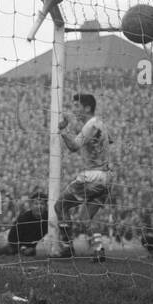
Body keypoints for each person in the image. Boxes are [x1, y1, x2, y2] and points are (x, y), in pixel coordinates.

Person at [55, 93, 114, 262]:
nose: (74, 110)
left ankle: (67, 247)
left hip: (92, 177)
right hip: (107, 177)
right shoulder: (101, 124)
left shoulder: (90, 125)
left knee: (60, 207)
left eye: (77, 106)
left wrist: (63, 129)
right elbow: (109, 141)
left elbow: (73, 146)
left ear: (87, 107)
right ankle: (99, 250)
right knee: (85, 218)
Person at [0, 190, 50, 256]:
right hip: (8, 238)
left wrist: (33, 249)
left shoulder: (49, 218)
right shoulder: (23, 218)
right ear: (31, 205)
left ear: (46, 206)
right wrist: (21, 249)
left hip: (35, 247)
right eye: (36, 204)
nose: (39, 206)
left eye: (42, 204)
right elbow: (12, 238)